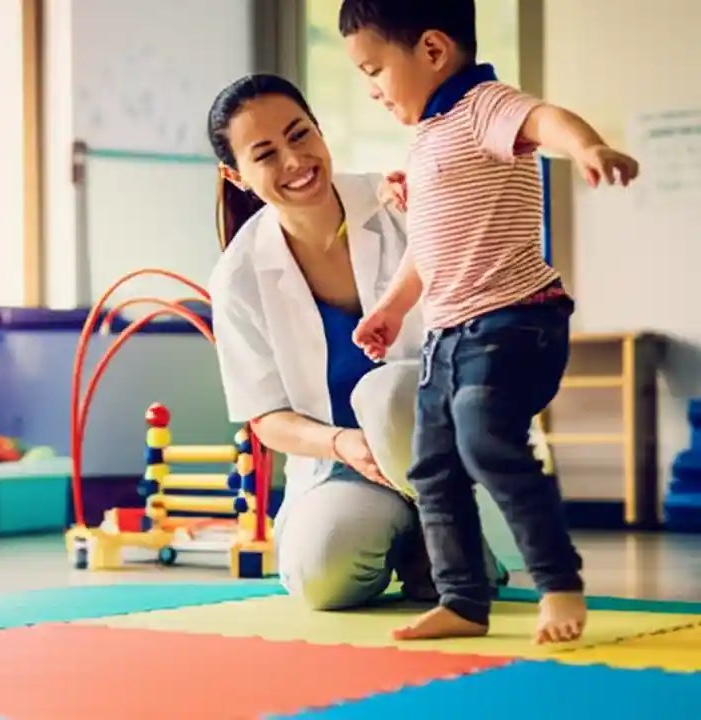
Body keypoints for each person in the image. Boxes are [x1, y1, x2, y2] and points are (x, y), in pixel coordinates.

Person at [338, 0, 639, 644]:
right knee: (433, 471)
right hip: (447, 339)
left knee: (485, 440)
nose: (371, 90)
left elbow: (544, 118)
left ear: (433, 51)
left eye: (374, 70)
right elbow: (430, 242)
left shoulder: (483, 106)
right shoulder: (427, 139)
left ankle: (557, 583)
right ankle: (462, 600)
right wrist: (392, 306)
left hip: (512, 321)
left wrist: (584, 145)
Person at [205, 73, 508, 611]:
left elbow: (481, 301)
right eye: (266, 154)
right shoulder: (238, 276)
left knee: (388, 393)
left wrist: (440, 210)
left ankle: (447, 532)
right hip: (345, 467)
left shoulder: (400, 201)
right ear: (237, 176)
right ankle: (428, 546)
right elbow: (266, 417)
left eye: (300, 135)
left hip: (440, 436)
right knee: (321, 577)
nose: (294, 161)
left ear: (320, 131)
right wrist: (340, 444)